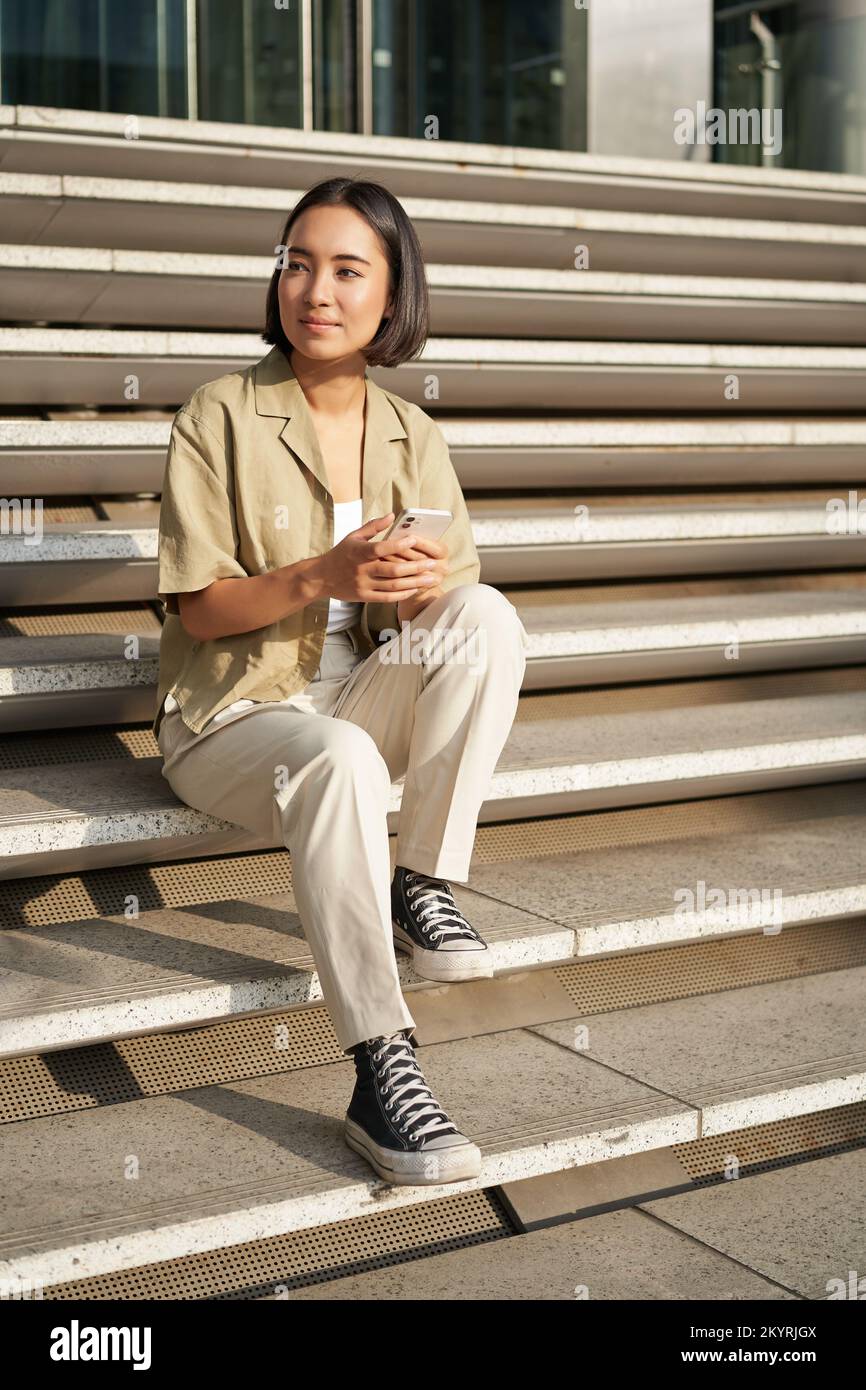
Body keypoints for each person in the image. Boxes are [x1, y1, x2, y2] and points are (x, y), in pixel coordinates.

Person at [153, 176, 529, 1187]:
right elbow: (198, 608)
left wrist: (407, 591)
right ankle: (381, 1065)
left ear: (393, 297)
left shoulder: (412, 433)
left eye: (346, 269)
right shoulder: (219, 414)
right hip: (233, 716)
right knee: (337, 754)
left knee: (483, 615)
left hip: (351, 698)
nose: (314, 289)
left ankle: (421, 877)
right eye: (297, 262)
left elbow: (439, 612)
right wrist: (322, 573)